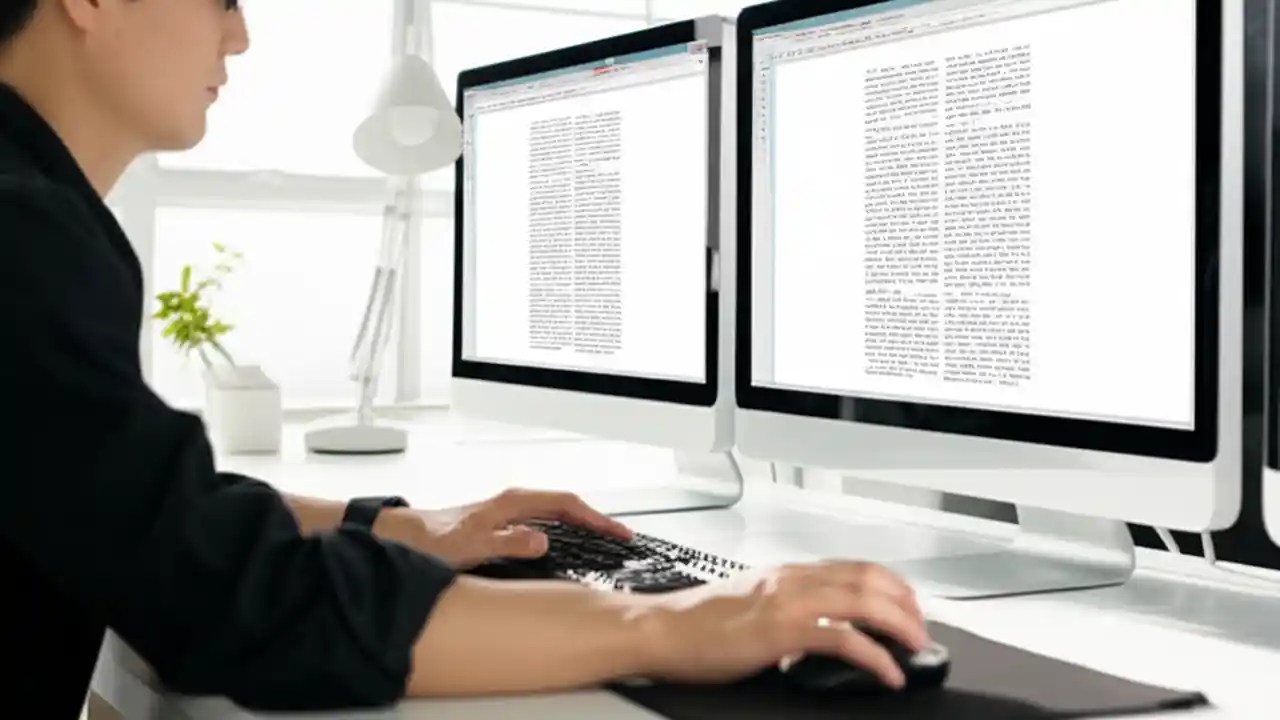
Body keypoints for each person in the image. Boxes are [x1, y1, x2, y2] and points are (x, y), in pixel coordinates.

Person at [0, 1, 931, 716]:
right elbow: (226, 599)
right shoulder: (22, 231)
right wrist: (674, 622)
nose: (239, 37)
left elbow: (127, 501)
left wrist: (399, 526)